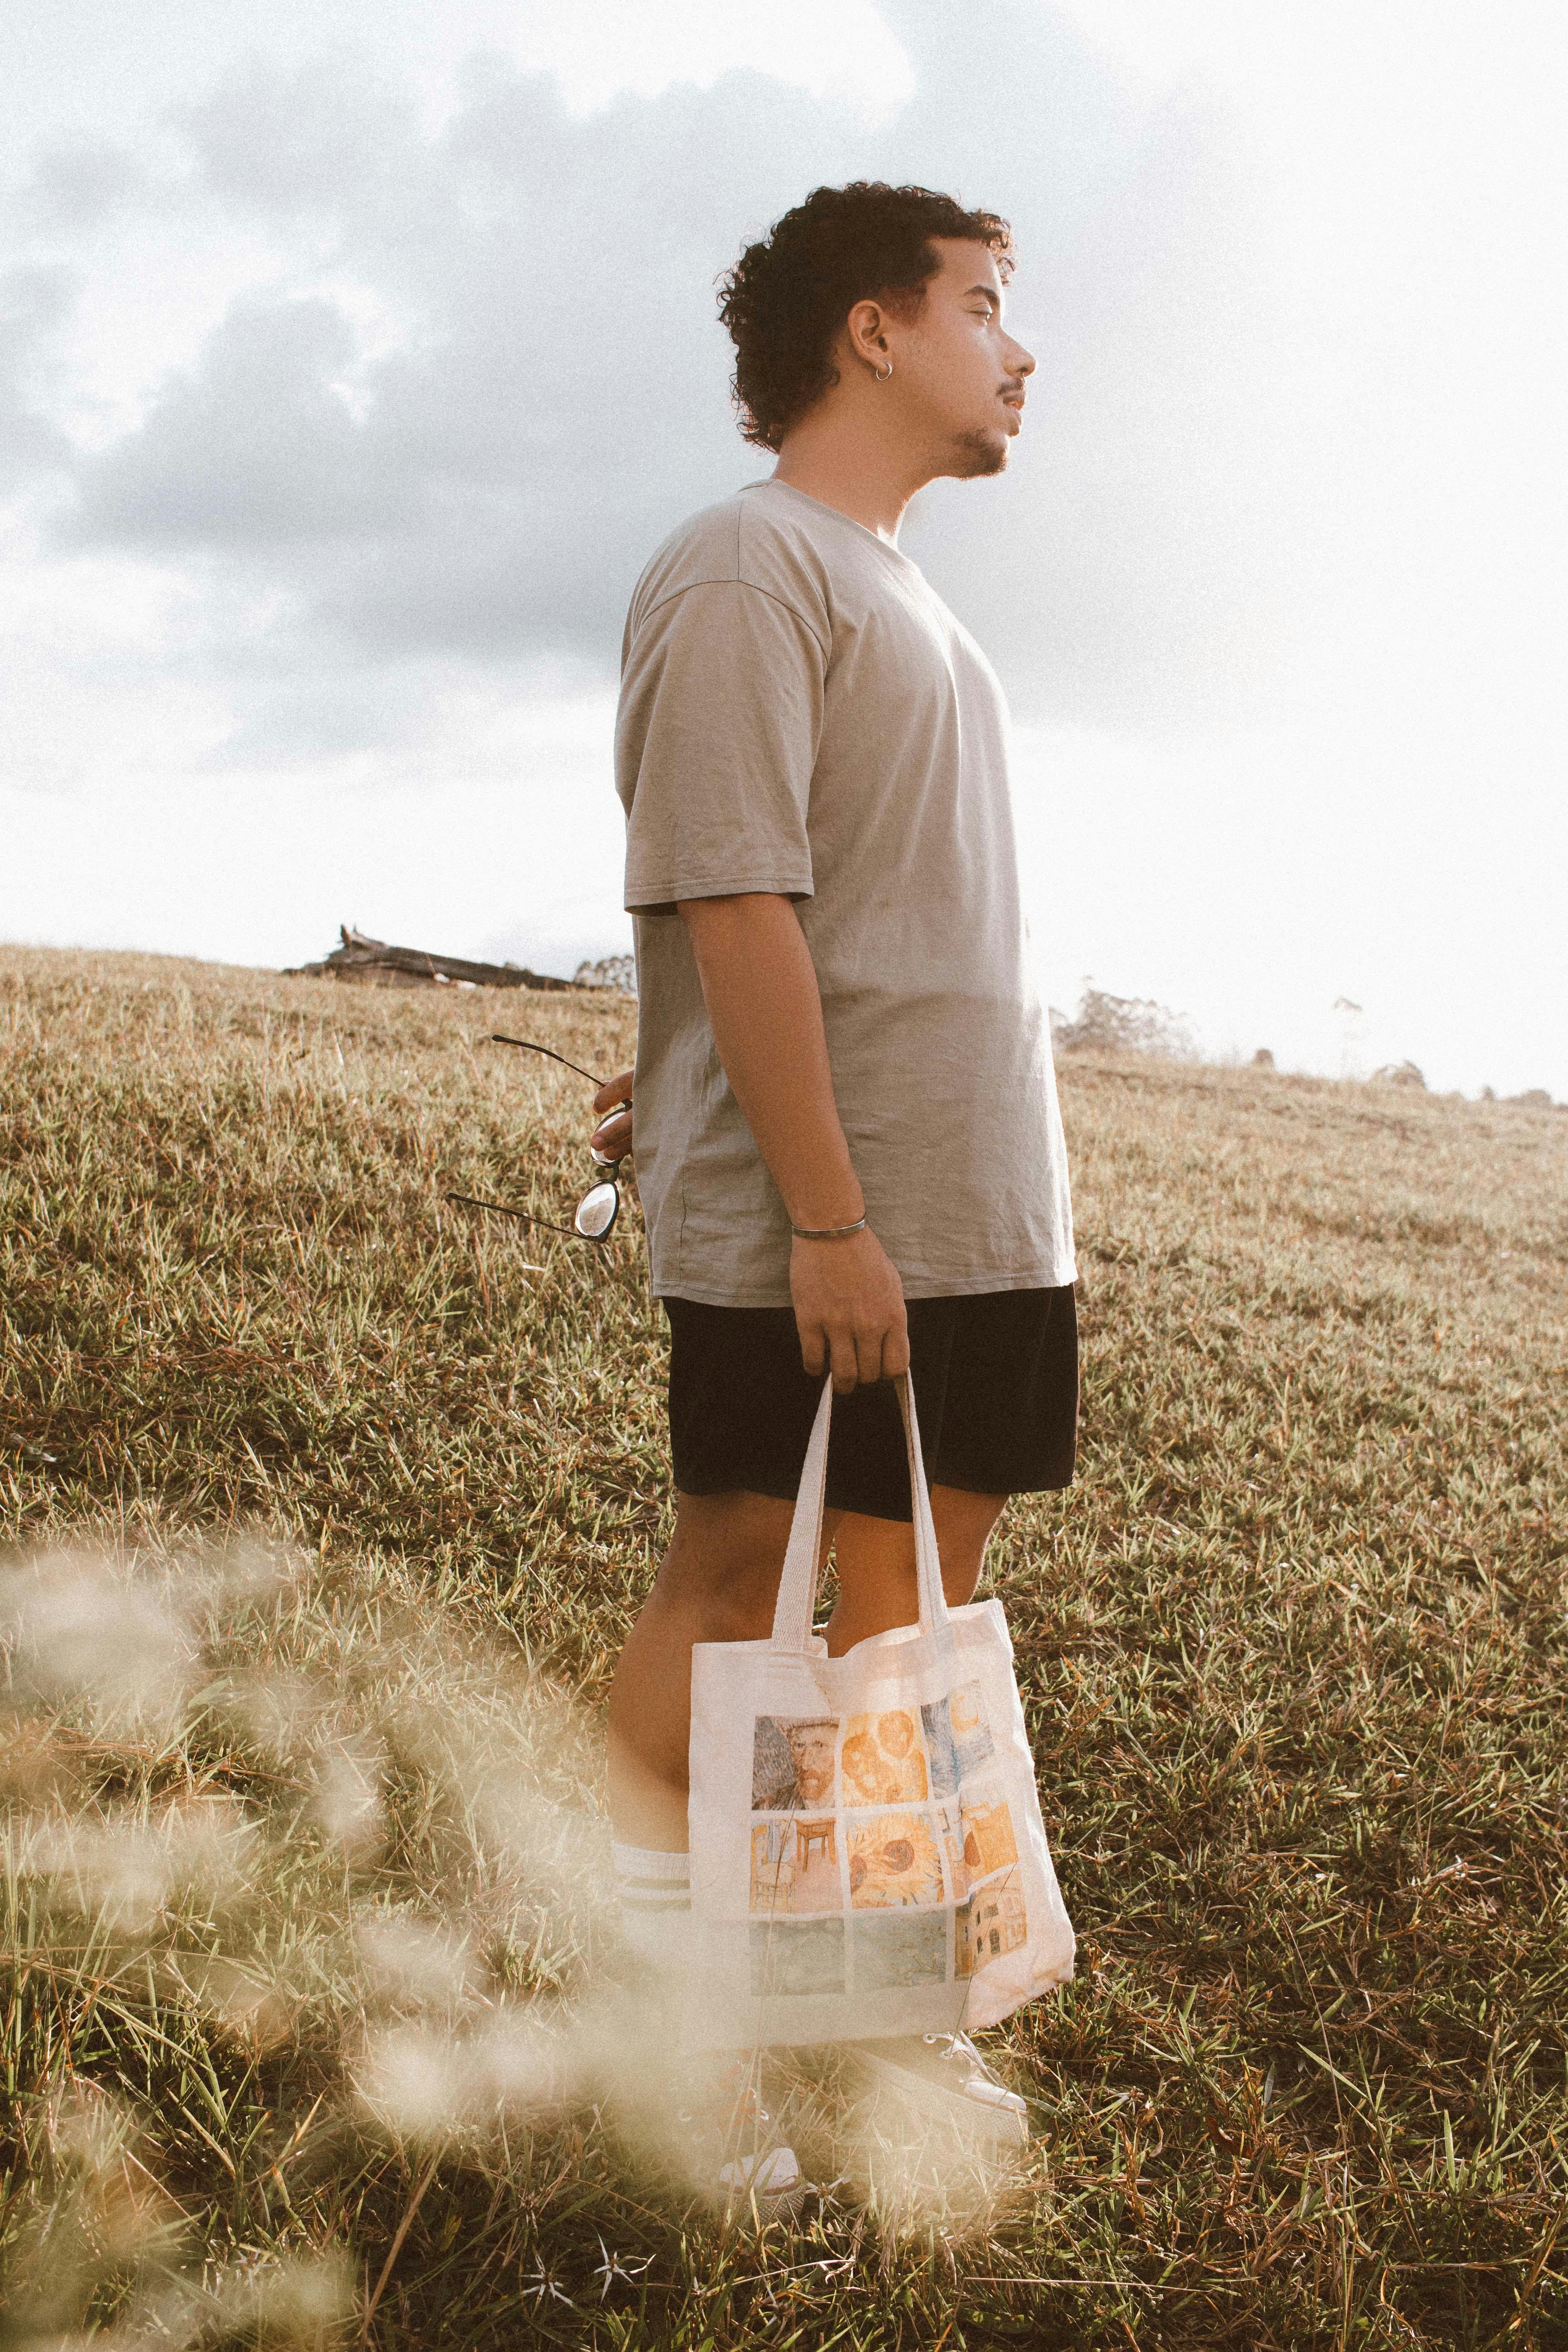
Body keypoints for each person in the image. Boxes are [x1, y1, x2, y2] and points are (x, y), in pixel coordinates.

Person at [592, 181, 1078, 2211]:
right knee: (730, 1593)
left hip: (974, 1209)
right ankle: (661, 2055)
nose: (1020, 348)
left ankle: (867, 2035)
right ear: (872, 332)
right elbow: (736, 886)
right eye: (982, 306)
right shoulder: (745, 563)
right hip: (846, 1222)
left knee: (902, 1638)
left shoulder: (902, 590)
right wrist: (816, 1212)